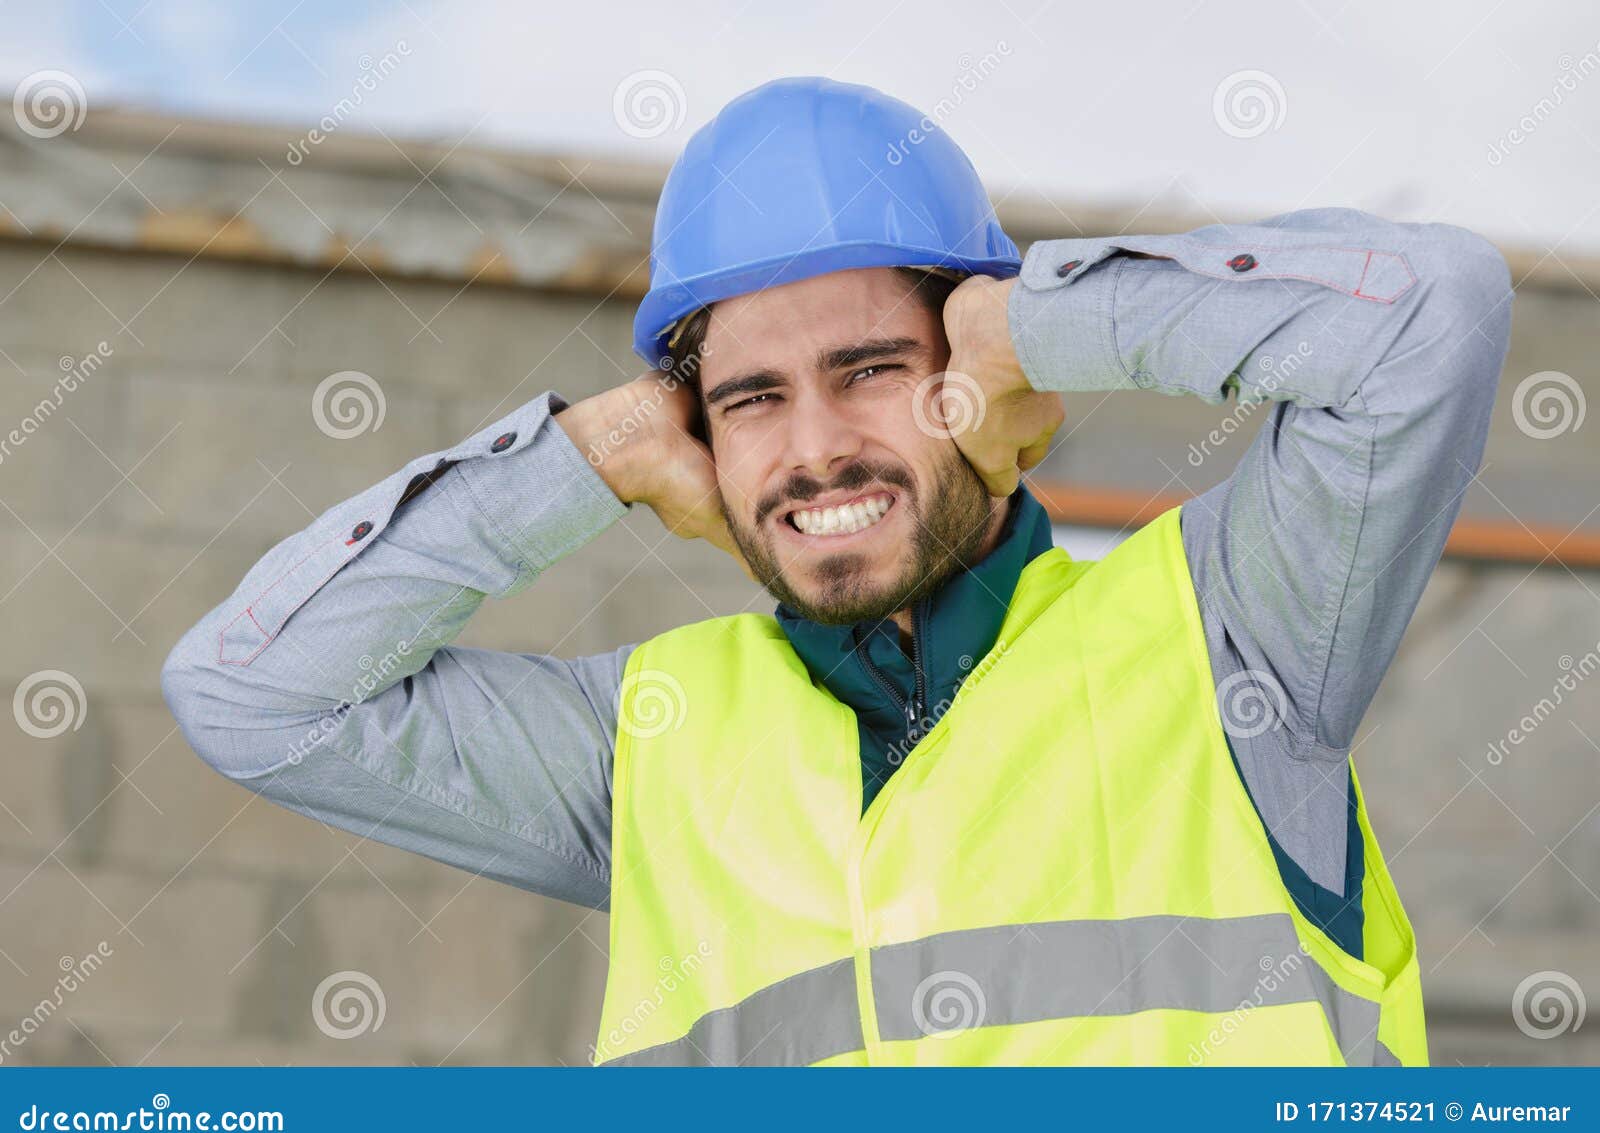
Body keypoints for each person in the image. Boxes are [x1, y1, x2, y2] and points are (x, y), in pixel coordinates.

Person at [163, 76, 1513, 1066]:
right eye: (750, 398)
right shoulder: (644, 746)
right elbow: (252, 693)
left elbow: (1431, 317)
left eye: (869, 370)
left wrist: (1038, 319)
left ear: (972, 370)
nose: (812, 449)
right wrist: (584, 455)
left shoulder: (1229, 635)